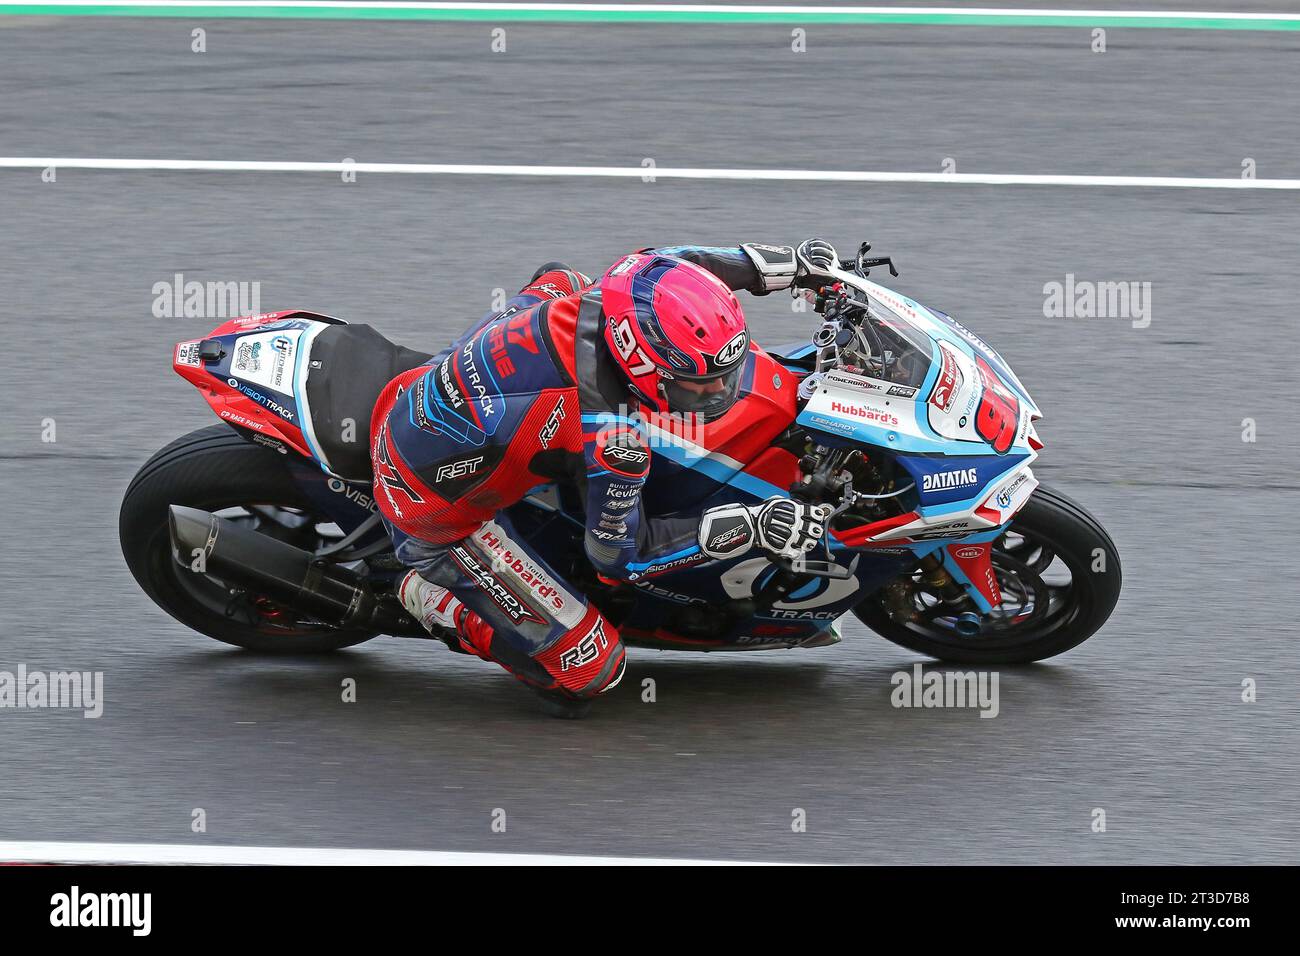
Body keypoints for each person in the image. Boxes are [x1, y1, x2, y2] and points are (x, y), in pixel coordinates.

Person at [370, 240, 838, 710]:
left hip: (427, 392)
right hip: (425, 503)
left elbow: (684, 266)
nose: (718, 388)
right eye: (697, 381)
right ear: (640, 361)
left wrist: (796, 268)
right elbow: (619, 558)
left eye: (724, 372)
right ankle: (428, 595)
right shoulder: (611, 437)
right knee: (589, 669)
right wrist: (750, 525)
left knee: (563, 281)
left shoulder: (628, 288)